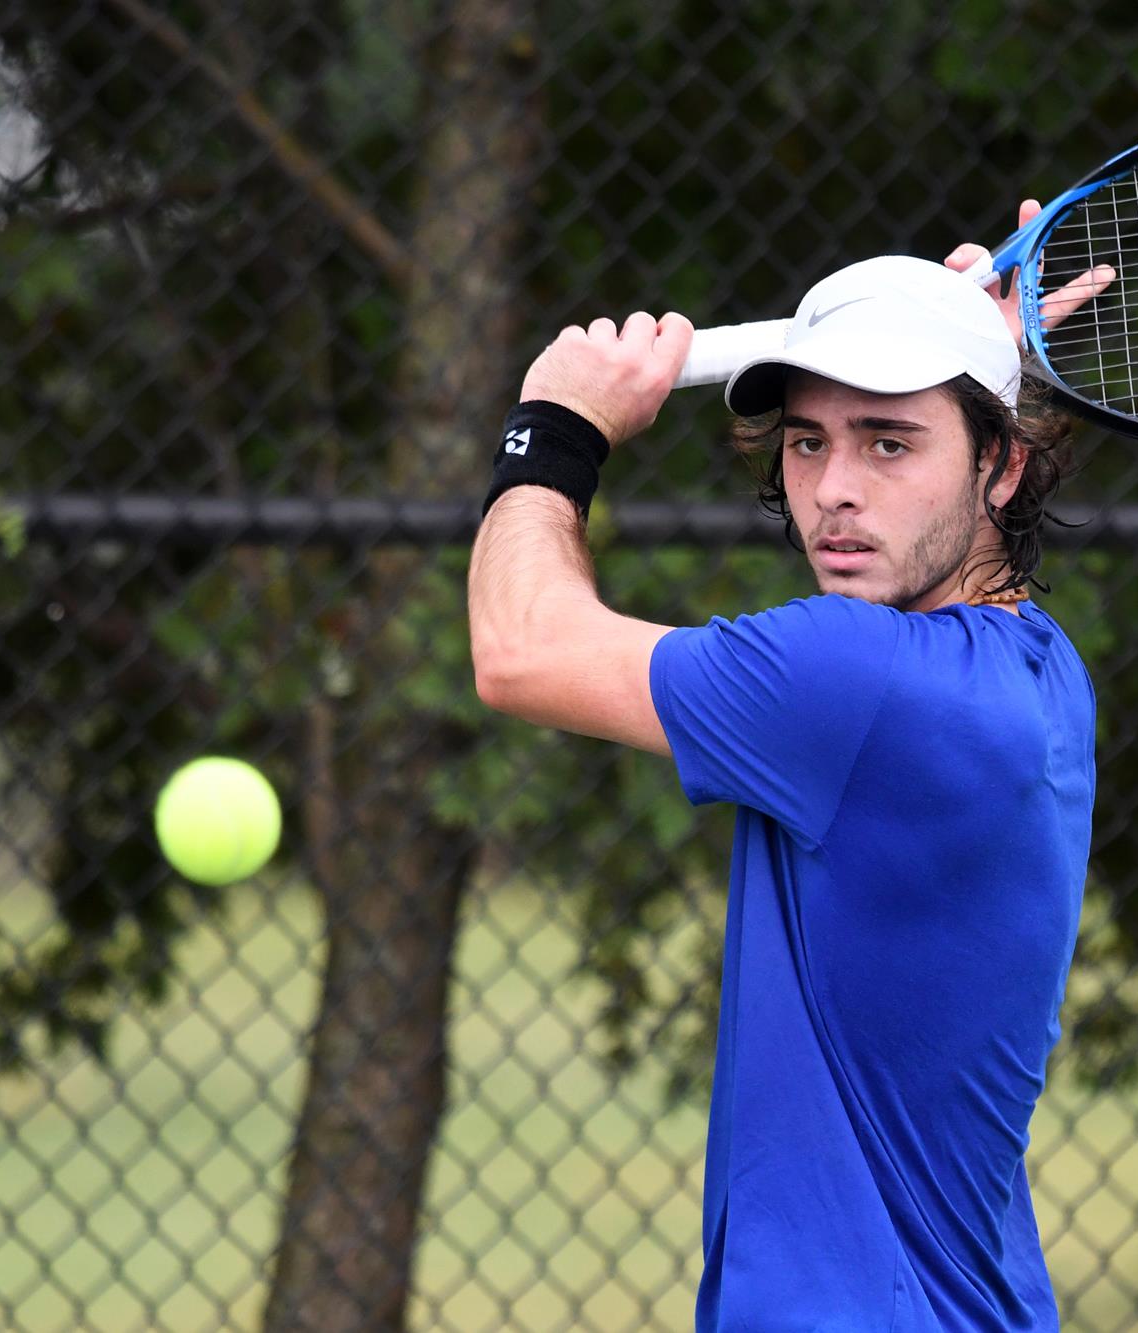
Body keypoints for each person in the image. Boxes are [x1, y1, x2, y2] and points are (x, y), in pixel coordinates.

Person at [469, 205, 1104, 1332]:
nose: (834, 489)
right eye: (809, 441)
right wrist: (959, 353)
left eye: (887, 441)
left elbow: (519, 649)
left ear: (1000, 467)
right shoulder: (1039, 673)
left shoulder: (850, 681)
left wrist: (554, 427)